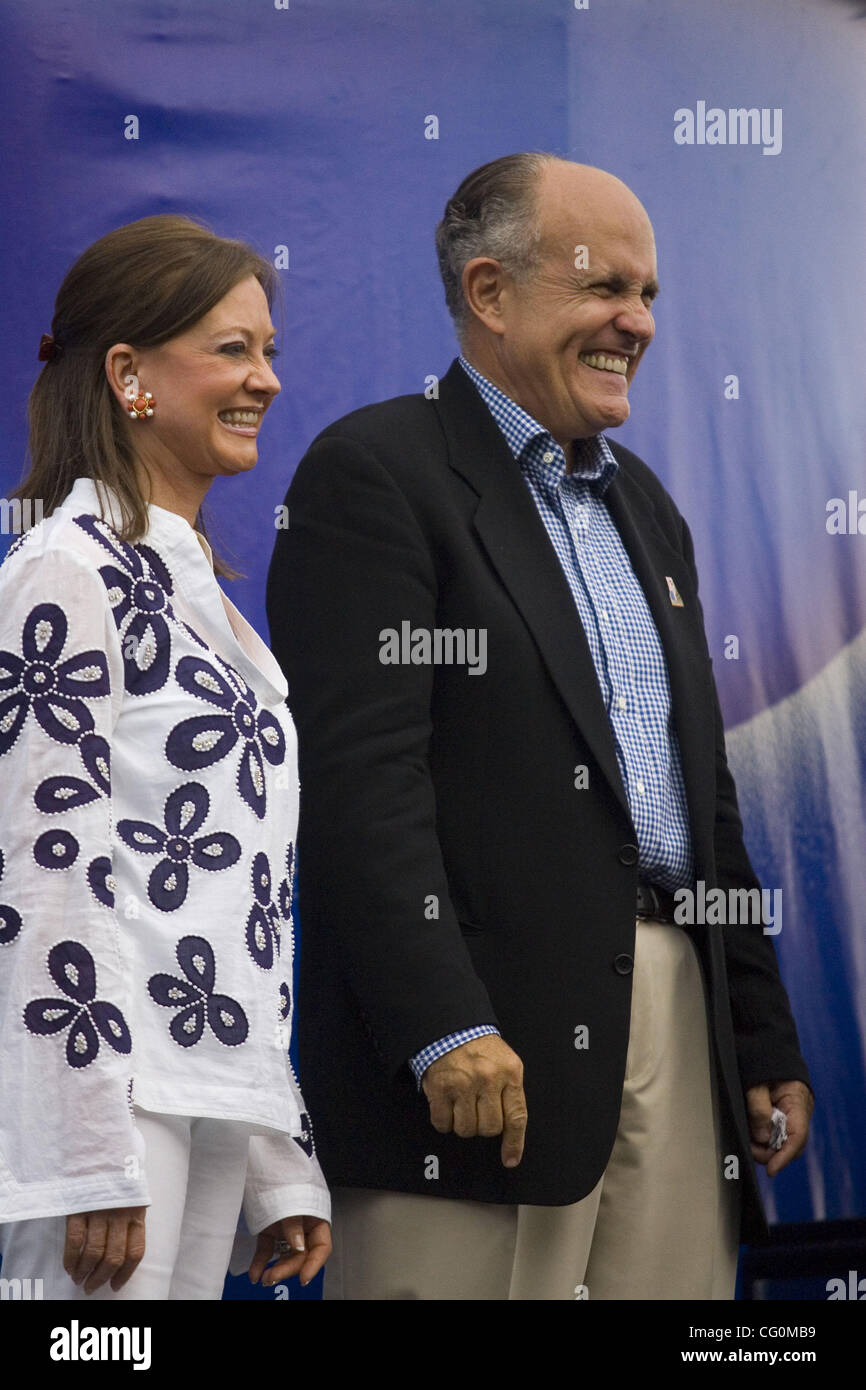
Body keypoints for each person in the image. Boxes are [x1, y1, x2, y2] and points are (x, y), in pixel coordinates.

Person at [266, 155, 814, 1301]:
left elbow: (696, 790)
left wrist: (753, 1036)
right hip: (472, 1062)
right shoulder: (374, 474)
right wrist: (439, 1026)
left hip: (675, 1029)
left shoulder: (647, 508)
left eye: (648, 293)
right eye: (601, 285)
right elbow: (363, 788)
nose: (635, 320)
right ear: (488, 292)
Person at [0, 215, 330, 1300]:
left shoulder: (198, 602)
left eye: (268, 350)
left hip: (205, 1095)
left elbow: (241, 903)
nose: (266, 380)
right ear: (129, 373)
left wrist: (278, 1154)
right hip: (113, 1109)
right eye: (232, 349)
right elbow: (45, 872)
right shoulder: (64, 572)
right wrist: (85, 1154)